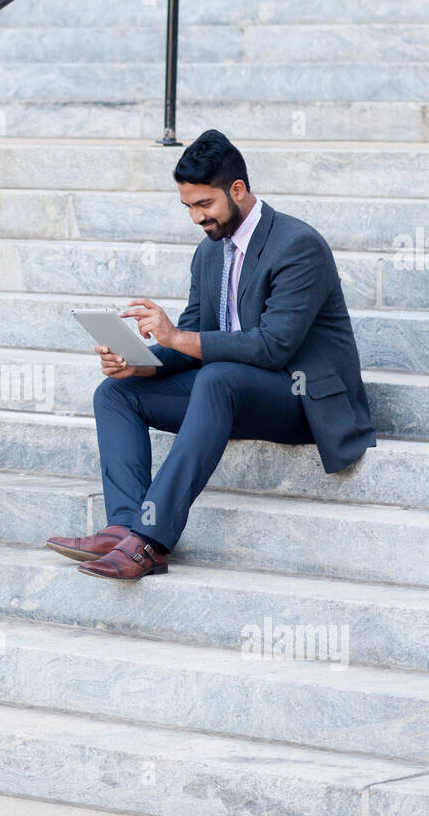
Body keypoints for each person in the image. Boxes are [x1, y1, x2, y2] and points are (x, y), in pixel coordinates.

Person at [46, 129, 377, 582]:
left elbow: (271, 345)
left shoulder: (298, 245)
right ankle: (124, 524)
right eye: (188, 207)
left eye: (204, 205)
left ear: (236, 189)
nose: (196, 217)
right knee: (116, 392)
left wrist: (176, 336)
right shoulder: (209, 253)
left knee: (217, 377)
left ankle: (151, 541)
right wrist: (139, 362)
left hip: (301, 399)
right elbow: (196, 333)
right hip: (227, 391)